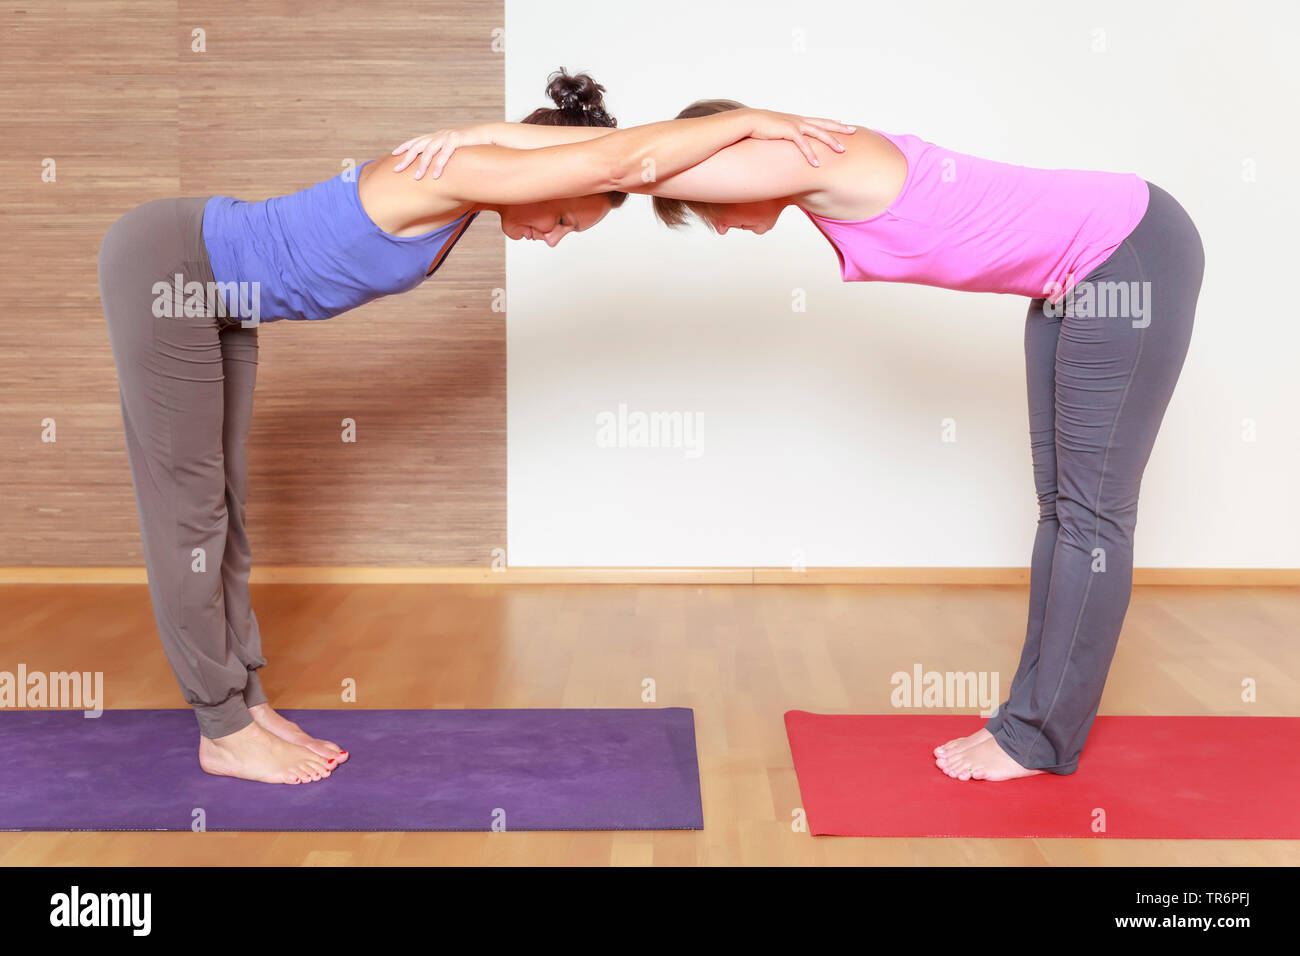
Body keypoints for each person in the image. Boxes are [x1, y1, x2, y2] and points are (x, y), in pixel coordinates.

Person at [399, 96, 1203, 781]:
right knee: (1062, 509)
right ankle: (1026, 717)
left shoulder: (794, 152)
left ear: (732, 157)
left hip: (1123, 255)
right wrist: (483, 138)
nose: (714, 225)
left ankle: (1037, 739)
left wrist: (484, 141)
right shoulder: (802, 159)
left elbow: (627, 163)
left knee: (1092, 516)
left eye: (707, 209)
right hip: (1074, 272)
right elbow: (623, 154)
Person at [98, 70, 853, 785]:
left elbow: (545, 143)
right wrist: (748, 122)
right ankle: (221, 732)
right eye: (561, 216)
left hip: (222, 293)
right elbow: (621, 157)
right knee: (190, 515)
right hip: (175, 269)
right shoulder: (463, 173)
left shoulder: (473, 163)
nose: (555, 236)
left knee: (223, 509)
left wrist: (481, 131)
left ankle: (246, 703)